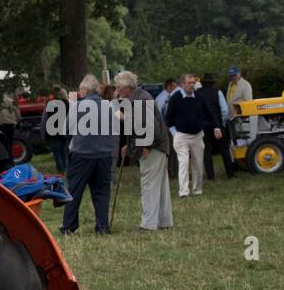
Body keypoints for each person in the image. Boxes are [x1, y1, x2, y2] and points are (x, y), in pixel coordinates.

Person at [59, 74, 116, 235]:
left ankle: (69, 226)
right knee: (102, 192)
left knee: (74, 191)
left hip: (82, 154)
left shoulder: (78, 106)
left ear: (85, 89)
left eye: (80, 89)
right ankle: (102, 227)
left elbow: (67, 130)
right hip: (104, 154)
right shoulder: (108, 105)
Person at [115, 71, 172, 232]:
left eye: (119, 88)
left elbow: (150, 127)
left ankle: (148, 224)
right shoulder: (137, 98)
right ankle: (164, 221)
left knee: (149, 184)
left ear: (128, 88)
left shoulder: (142, 99)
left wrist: (145, 146)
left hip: (153, 147)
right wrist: (129, 144)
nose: (118, 91)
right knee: (159, 185)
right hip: (157, 145)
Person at [166, 74, 219, 198]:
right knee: (183, 162)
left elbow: (210, 114)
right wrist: (175, 133)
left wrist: (216, 126)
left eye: (193, 83)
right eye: (189, 83)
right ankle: (183, 192)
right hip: (181, 135)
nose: (191, 85)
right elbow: (168, 118)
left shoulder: (200, 98)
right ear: (182, 85)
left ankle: (197, 190)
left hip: (197, 135)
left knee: (198, 164)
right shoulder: (175, 98)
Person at [200, 73, 234, 180]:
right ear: (212, 83)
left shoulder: (197, 93)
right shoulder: (217, 92)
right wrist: (222, 124)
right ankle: (230, 174)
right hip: (217, 125)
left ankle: (211, 176)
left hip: (204, 126)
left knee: (207, 151)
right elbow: (224, 110)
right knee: (224, 149)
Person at [39, 85, 70, 174]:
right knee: (63, 152)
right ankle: (64, 169)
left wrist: (43, 134)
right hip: (64, 132)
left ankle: (61, 171)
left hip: (52, 133)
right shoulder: (67, 104)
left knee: (57, 154)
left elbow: (44, 120)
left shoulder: (49, 104)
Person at [226, 65, 253, 143]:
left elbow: (249, 102)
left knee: (241, 139)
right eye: (231, 76)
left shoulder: (246, 85)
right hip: (231, 117)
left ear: (239, 74)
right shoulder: (230, 85)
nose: (232, 77)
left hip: (240, 117)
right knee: (234, 139)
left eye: (234, 75)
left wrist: (244, 116)